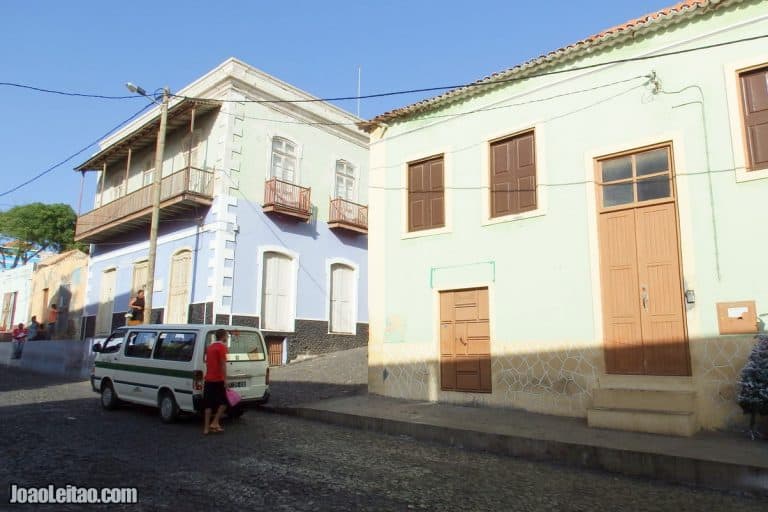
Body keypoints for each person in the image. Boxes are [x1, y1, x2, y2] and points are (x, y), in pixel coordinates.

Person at [203, 328, 228, 435]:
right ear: (223, 336)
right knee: (224, 403)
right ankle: (215, 422)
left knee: (208, 404)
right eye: (226, 336)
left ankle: (206, 429)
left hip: (208, 379)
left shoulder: (210, 347)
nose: (227, 338)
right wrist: (225, 379)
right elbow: (223, 364)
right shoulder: (222, 347)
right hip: (218, 379)